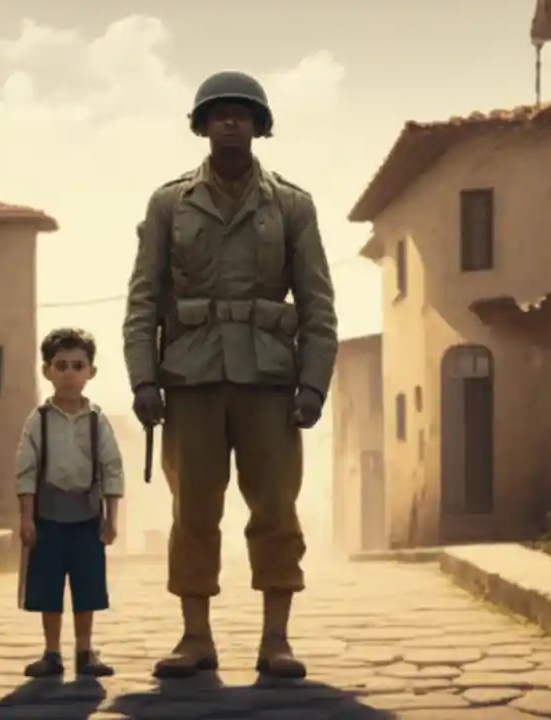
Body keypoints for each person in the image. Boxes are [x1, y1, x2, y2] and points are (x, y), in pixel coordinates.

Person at [121, 70, 338, 679]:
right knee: (193, 511)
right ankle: (196, 638)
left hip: (269, 380)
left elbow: (318, 302)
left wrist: (314, 384)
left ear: (260, 126)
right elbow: (144, 298)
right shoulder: (169, 204)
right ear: (202, 125)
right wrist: (143, 379)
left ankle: (276, 640)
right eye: (218, 113)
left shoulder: (292, 205)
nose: (230, 122)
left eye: (242, 113)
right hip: (190, 379)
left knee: (275, 508)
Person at [15, 327, 124, 678]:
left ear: (91, 371)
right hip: (48, 516)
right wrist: (27, 517)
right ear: (47, 370)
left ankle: (84, 650)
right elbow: (26, 470)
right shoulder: (38, 420)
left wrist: (111, 518)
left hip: (87, 516)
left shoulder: (97, 421)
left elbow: (112, 469)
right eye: (61, 365)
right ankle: (51, 652)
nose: (69, 373)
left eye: (78, 365)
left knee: (87, 586)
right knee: (48, 588)